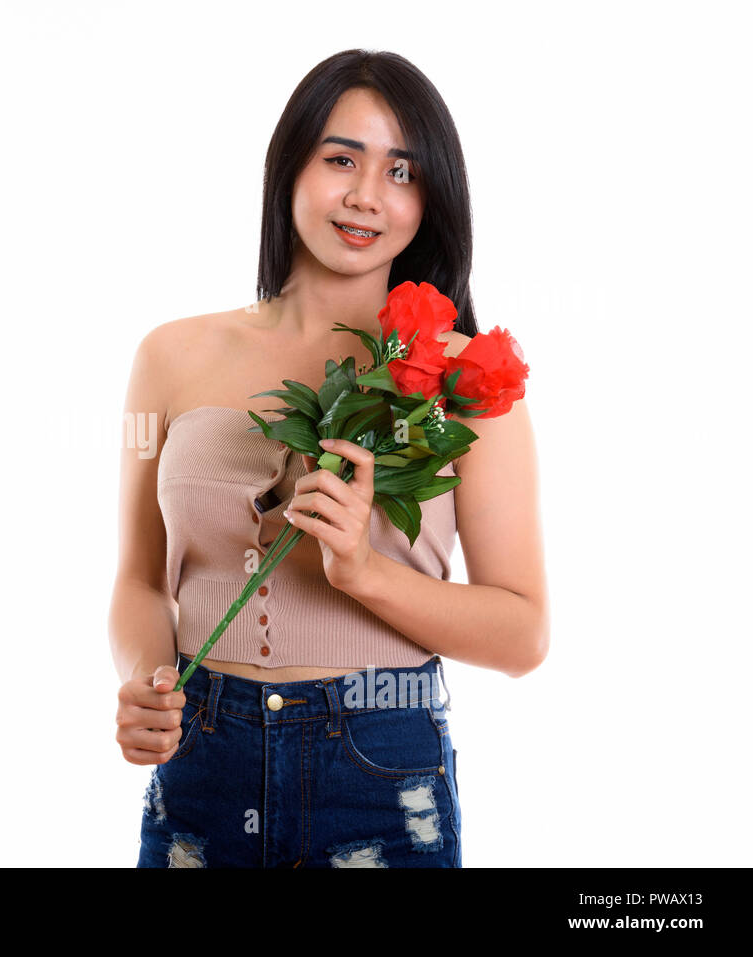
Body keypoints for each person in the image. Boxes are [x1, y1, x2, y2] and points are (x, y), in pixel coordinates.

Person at [110, 49, 549, 868]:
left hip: (378, 757)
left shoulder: (470, 379)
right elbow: (138, 576)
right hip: (201, 754)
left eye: (402, 170)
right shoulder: (165, 357)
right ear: (291, 167)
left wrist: (363, 571)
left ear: (431, 199)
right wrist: (147, 681)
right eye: (341, 158)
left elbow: (523, 633)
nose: (365, 195)